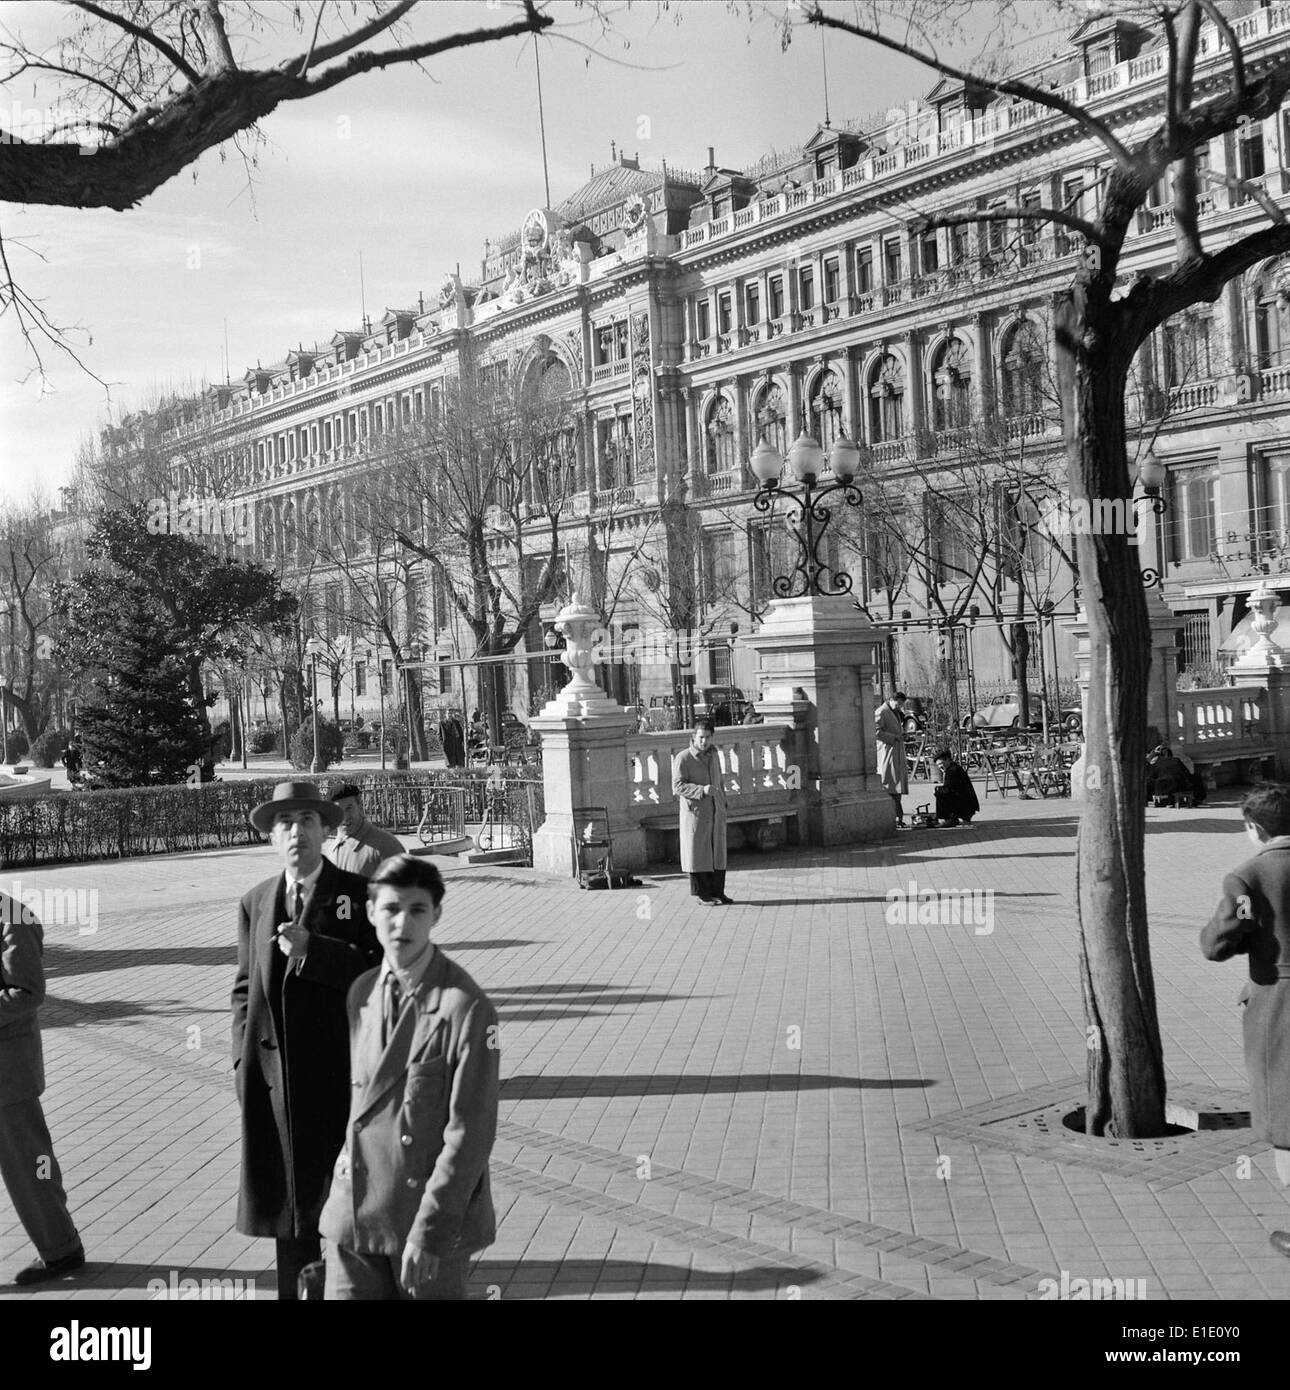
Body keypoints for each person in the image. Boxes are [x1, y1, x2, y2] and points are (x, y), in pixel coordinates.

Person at [319, 856, 499, 1300]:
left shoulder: (466, 1006)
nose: (403, 923)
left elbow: (470, 1133)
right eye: (391, 908)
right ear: (370, 913)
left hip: (424, 1220)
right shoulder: (361, 992)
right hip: (354, 1211)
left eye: (417, 910)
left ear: (436, 914)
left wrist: (431, 1232)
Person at [232, 781, 380, 1300]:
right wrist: (239, 1061)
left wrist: (314, 949)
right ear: (273, 838)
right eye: (286, 824)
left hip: (339, 1081)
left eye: (308, 822)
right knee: (289, 1215)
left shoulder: (358, 896)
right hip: (275, 1088)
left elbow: (380, 973)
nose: (297, 833)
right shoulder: (256, 902)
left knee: (343, 1209)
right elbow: (245, 989)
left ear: (326, 830)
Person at [1200, 784, 1290, 1259]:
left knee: (1286, 1118)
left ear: (1255, 828)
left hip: (1279, 1009)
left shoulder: (1248, 875)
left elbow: (1220, 942)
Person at [0, 894, 85, 1286]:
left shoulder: (12, 916)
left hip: (7, 1075)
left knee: (30, 1168)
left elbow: (27, 991)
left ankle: (61, 1250)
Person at [672, 718, 731, 905]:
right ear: (693, 737)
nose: (704, 741)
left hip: (716, 810)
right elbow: (677, 786)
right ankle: (702, 894)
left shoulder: (714, 755)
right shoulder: (683, 758)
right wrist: (701, 790)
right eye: (701, 737)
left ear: (712, 737)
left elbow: (720, 781)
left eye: (707, 737)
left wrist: (723, 802)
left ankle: (718, 891)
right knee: (698, 853)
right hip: (696, 812)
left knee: (718, 853)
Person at [325, 783, 405, 879]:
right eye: (338, 811)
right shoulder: (330, 850)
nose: (345, 817)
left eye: (349, 808)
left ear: (359, 806)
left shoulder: (385, 845)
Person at [875, 691, 910, 827]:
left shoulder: (895, 712)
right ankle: (894, 817)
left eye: (901, 705)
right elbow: (876, 731)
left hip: (896, 752)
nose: (899, 707)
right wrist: (893, 737)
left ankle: (898, 818)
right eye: (898, 704)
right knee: (890, 785)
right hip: (887, 753)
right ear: (891, 700)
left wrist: (903, 734)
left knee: (897, 785)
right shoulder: (882, 711)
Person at [932, 748, 979, 826]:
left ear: (947, 760)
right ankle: (953, 817)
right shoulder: (954, 768)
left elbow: (948, 790)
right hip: (968, 804)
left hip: (965, 806)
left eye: (941, 763)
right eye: (938, 765)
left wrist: (937, 791)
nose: (940, 766)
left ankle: (950, 818)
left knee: (940, 793)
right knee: (941, 791)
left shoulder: (952, 771)